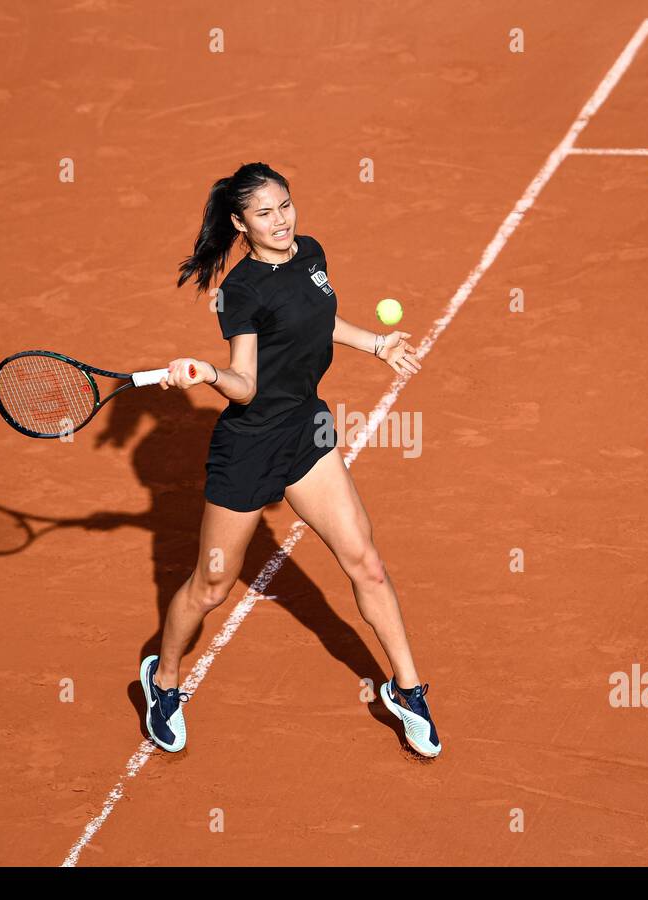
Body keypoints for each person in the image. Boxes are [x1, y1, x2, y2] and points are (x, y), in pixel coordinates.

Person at [137, 161, 440, 758]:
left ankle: (406, 689)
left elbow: (317, 323)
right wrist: (206, 373)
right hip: (249, 447)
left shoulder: (310, 252)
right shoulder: (241, 291)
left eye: (285, 205)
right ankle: (163, 679)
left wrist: (376, 344)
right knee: (212, 586)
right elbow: (245, 385)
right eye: (264, 213)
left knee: (366, 563)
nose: (280, 221)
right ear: (239, 224)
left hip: (307, 428)